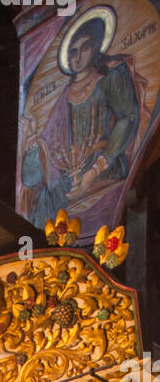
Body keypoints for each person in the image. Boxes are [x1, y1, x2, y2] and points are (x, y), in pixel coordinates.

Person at [21, 12, 140, 237]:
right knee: (44, 208)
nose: (77, 57)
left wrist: (95, 170)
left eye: (84, 48)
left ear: (95, 48)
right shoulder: (62, 100)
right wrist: (31, 141)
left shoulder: (111, 78)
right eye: (73, 51)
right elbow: (31, 179)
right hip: (69, 177)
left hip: (105, 164)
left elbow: (129, 118)